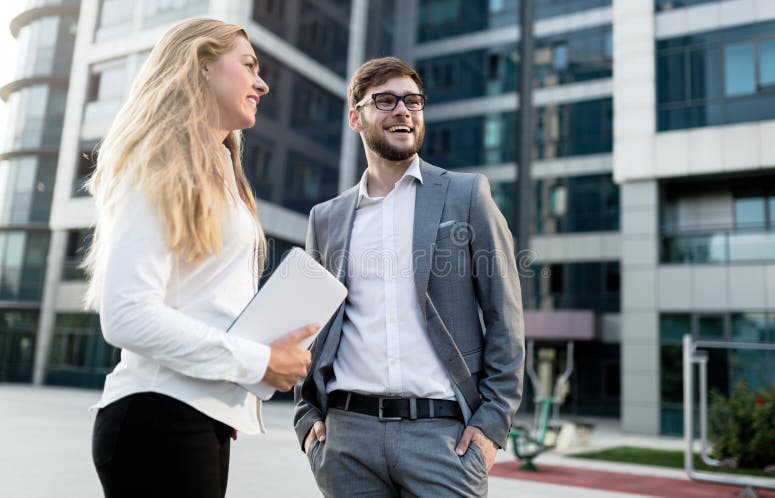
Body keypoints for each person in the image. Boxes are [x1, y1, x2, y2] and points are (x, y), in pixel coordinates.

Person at [85, 18, 316, 498]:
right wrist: (259, 361)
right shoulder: (159, 160)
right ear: (203, 66)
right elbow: (126, 316)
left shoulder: (224, 169)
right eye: (249, 65)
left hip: (196, 417)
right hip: (157, 417)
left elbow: (204, 301)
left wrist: (231, 388)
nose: (263, 82)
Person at [294, 56, 525, 497]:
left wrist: (492, 425)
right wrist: (307, 418)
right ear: (355, 117)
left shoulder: (466, 195)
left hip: (443, 440)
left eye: (413, 101)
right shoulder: (326, 218)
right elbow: (311, 329)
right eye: (385, 100)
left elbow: (505, 316)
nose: (403, 110)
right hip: (347, 442)